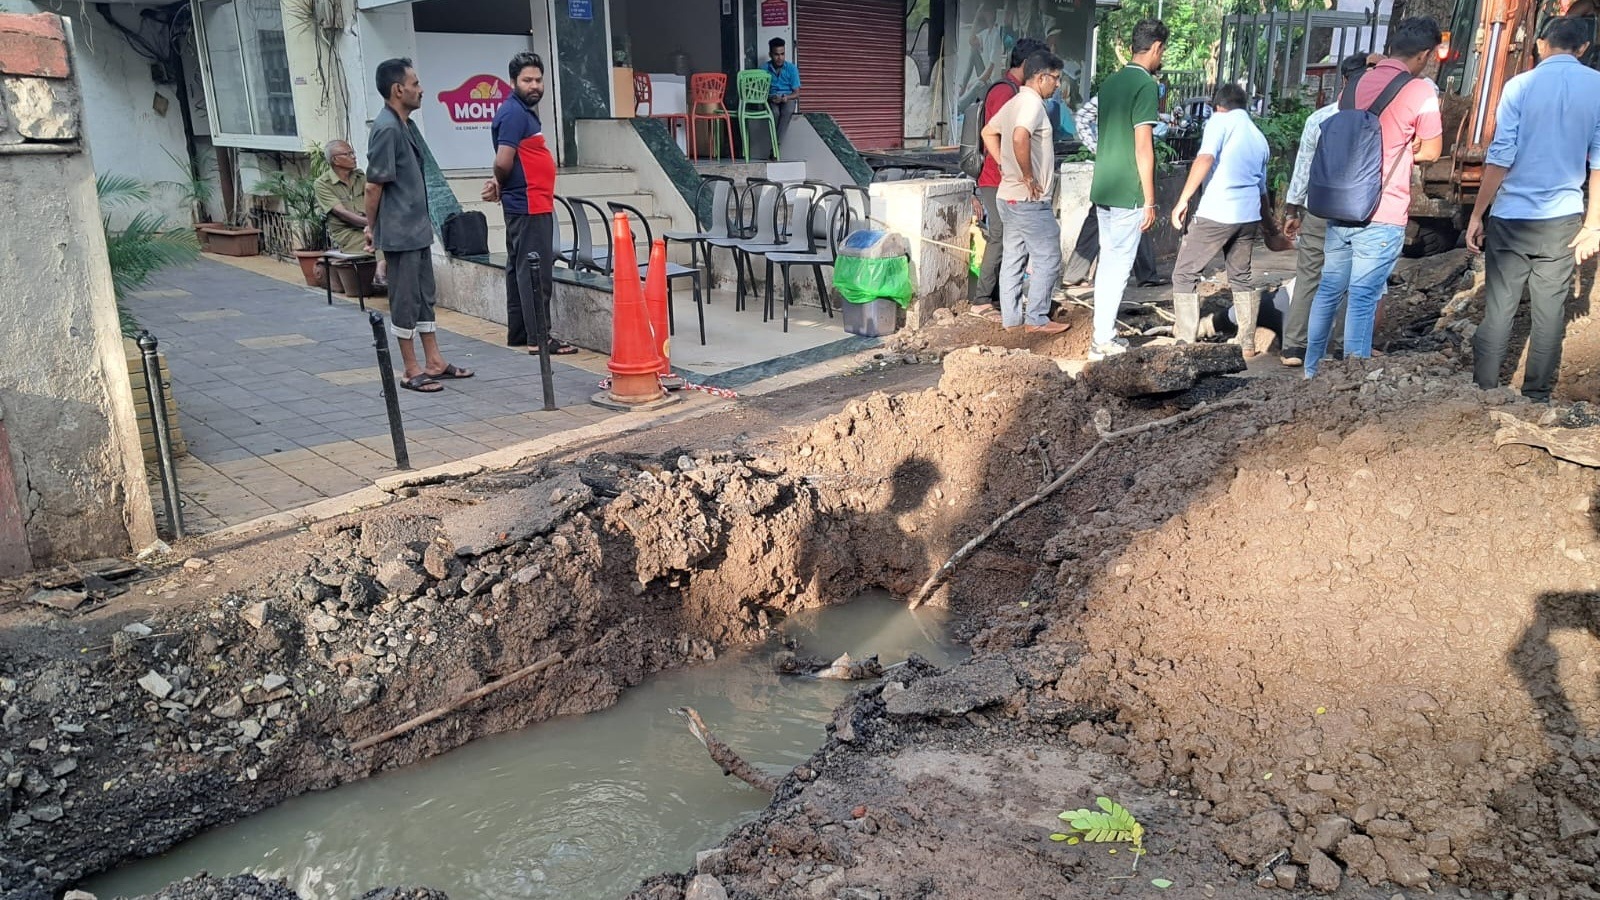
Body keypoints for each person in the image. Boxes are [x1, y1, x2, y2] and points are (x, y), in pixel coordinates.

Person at [1466, 15, 1600, 402]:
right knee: (1549, 312)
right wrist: (1593, 225)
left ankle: (1482, 391)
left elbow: (1501, 154)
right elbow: (1598, 160)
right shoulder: (1597, 86)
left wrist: (1478, 214)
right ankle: (1537, 395)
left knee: (1499, 309)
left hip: (1511, 217)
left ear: (1541, 44)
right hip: (1563, 217)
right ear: (1584, 48)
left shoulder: (1519, 85)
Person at [1303, 17, 1444, 378]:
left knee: (1328, 291)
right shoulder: (1421, 91)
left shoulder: (1355, 83)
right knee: (1363, 298)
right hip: (1382, 209)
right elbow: (1431, 150)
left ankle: (1311, 371)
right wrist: (1408, 144)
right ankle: (1354, 379)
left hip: (1341, 206)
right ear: (1425, 54)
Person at [364, 58, 473, 393]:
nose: (420, 88)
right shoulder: (385, 128)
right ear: (398, 90)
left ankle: (434, 360)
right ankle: (411, 370)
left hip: (416, 228)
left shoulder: (404, 124)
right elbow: (373, 186)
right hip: (400, 233)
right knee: (405, 300)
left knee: (425, 296)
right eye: (414, 83)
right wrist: (371, 229)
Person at [1279, 53, 1381, 366]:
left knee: (1309, 274)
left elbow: (1304, 167)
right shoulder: (1375, 119)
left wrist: (1293, 208)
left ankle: (1295, 346)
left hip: (1319, 208)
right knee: (1354, 278)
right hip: (1360, 212)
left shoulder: (1320, 118)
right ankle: (1341, 347)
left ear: (1344, 80)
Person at [482, 52, 576, 357]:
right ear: (513, 82)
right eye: (527, 80)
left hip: (528, 201)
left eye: (538, 80)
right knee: (536, 271)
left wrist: (501, 182)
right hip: (529, 203)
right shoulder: (514, 114)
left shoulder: (520, 112)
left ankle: (523, 333)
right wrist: (500, 181)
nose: (534, 85)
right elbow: (503, 159)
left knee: (520, 267)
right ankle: (539, 337)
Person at [1088, 19, 1167, 360]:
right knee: (1118, 267)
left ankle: (1102, 332)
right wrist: (1150, 199)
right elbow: (1143, 147)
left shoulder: (1111, 82)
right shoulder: (1145, 85)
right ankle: (1102, 339)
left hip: (1104, 185)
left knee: (1109, 263)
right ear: (1157, 47)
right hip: (1128, 191)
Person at [1169, 83, 1270, 354]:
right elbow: (1263, 189)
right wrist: (1269, 227)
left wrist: (1183, 199)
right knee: (1241, 276)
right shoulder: (1258, 137)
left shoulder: (1219, 121)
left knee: (1184, 272)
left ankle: (1185, 341)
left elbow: (1204, 158)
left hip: (1218, 211)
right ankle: (1246, 341)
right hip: (1248, 216)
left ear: (1218, 106)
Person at [981, 49, 1069, 334]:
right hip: (1028, 199)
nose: (1057, 85)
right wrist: (1027, 175)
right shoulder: (1031, 104)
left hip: (1007, 196)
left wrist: (1005, 166)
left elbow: (987, 133)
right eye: (1055, 79)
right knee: (1048, 257)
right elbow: (1020, 136)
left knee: (1013, 258)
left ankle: (1012, 321)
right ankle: (1037, 318)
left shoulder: (1015, 100)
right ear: (1041, 77)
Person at [970, 36, 1047, 321]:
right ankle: (981, 300)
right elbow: (996, 134)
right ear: (1027, 64)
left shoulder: (1017, 91)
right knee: (1001, 236)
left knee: (1013, 239)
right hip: (995, 178)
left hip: (1006, 180)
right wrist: (1008, 165)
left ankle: (1003, 298)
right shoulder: (1006, 92)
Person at [1063, 93, 1165, 289]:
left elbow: (1083, 117)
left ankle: (1076, 273)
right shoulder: (1125, 95)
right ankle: (1145, 275)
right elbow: (1083, 117)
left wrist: (1100, 150)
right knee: (1137, 213)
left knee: (1105, 216)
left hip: (1113, 166)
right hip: (1124, 166)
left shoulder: (1119, 94)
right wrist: (1098, 149)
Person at [764, 37, 801, 154]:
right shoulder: (764, 69)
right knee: (774, 114)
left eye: (782, 54)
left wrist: (786, 97)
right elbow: (760, 91)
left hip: (788, 98)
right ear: (770, 54)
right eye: (776, 54)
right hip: (772, 99)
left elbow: (796, 93)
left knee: (787, 112)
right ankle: (775, 147)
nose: (780, 57)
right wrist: (771, 97)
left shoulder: (792, 69)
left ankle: (775, 148)